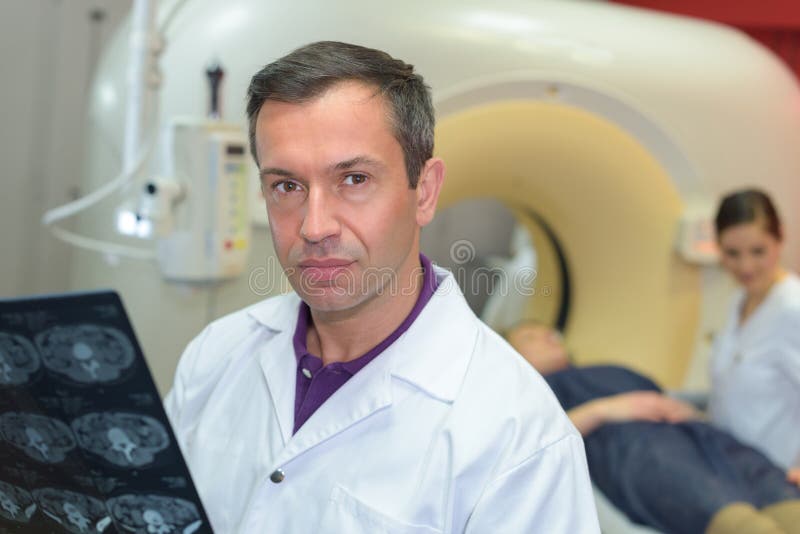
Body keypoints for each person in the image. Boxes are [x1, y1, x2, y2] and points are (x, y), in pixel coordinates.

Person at [163, 41, 599, 533]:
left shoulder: (518, 434)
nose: (314, 226)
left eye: (353, 178)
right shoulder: (214, 356)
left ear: (426, 191)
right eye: (287, 186)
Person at [507, 321, 800, 534]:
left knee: (778, 493)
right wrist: (605, 410)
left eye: (548, 332)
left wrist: (688, 413)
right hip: (638, 450)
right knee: (737, 518)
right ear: (511, 357)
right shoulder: (533, 395)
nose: (547, 336)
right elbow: (533, 449)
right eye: (531, 336)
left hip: (698, 435)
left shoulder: (610, 369)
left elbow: (663, 397)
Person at [709, 189, 800, 474]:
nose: (745, 266)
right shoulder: (738, 301)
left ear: (780, 238)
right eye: (732, 254)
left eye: (758, 251)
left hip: (774, 475)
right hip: (730, 463)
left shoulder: (792, 309)